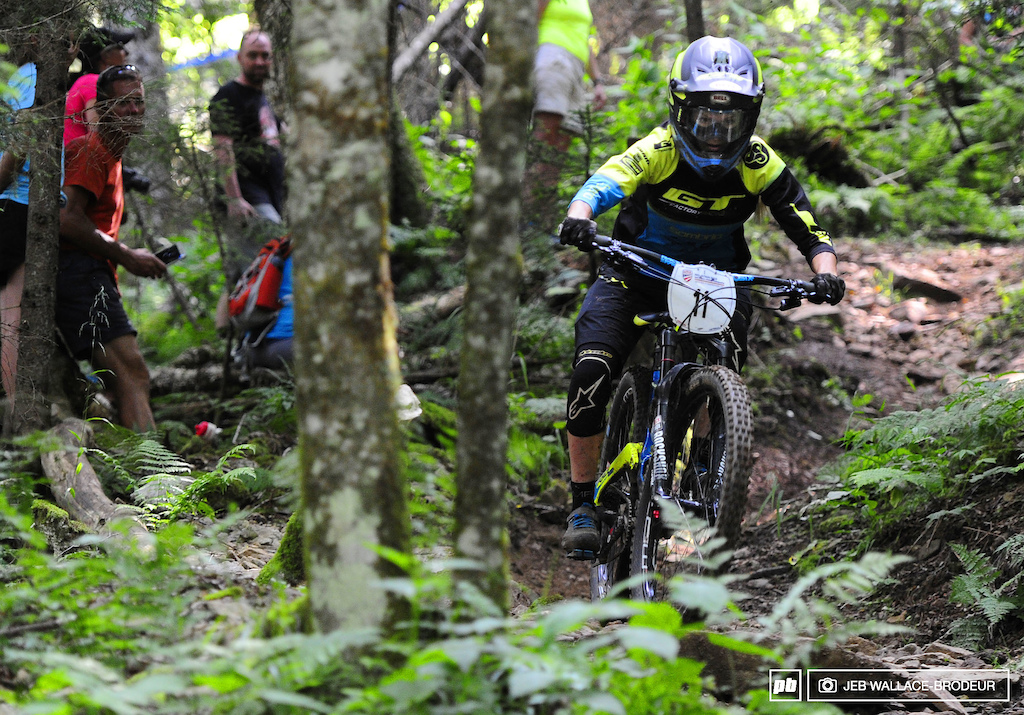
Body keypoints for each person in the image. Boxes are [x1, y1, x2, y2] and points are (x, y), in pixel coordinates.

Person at [555, 36, 846, 557]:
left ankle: (710, 471)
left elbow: (807, 227)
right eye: (706, 120)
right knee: (592, 370)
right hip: (634, 273)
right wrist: (579, 218)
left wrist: (825, 273)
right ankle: (581, 501)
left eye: (731, 121)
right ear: (680, 110)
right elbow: (604, 184)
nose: (717, 134)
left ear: (750, 118)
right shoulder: (659, 150)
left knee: (725, 367)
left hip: (717, 282)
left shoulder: (759, 162)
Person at [57, 64, 166, 431]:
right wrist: (127, 255)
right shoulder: (90, 149)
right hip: (78, 276)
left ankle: (145, 470)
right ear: (101, 108)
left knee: (129, 377)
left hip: (91, 274)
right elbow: (67, 219)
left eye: (138, 102)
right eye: (122, 104)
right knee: (131, 374)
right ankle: (159, 482)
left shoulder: (111, 154)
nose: (133, 111)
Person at [1, 33, 78, 404]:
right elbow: (22, 141)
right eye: (67, 38)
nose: (73, 47)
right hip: (15, 204)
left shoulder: (21, 76)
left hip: (19, 203)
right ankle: (18, 409)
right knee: (12, 315)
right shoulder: (32, 77)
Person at [209, 29, 286, 331]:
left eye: (265, 55)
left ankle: (228, 333)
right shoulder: (228, 95)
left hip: (267, 195)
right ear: (240, 58)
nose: (259, 61)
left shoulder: (261, 98)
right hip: (248, 200)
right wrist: (234, 198)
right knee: (272, 259)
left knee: (245, 269)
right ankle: (256, 338)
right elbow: (222, 151)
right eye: (253, 54)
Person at [528, 0, 607, 214]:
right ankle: (526, 218)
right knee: (544, 141)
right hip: (553, 59)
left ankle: (541, 220)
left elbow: (583, 40)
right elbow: (530, 19)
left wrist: (597, 81)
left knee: (560, 150)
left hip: (575, 69)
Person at [64, 26, 134, 145]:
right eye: (120, 47)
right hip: (82, 159)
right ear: (106, 55)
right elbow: (96, 133)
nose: (126, 52)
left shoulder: (88, 80)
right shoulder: (93, 82)